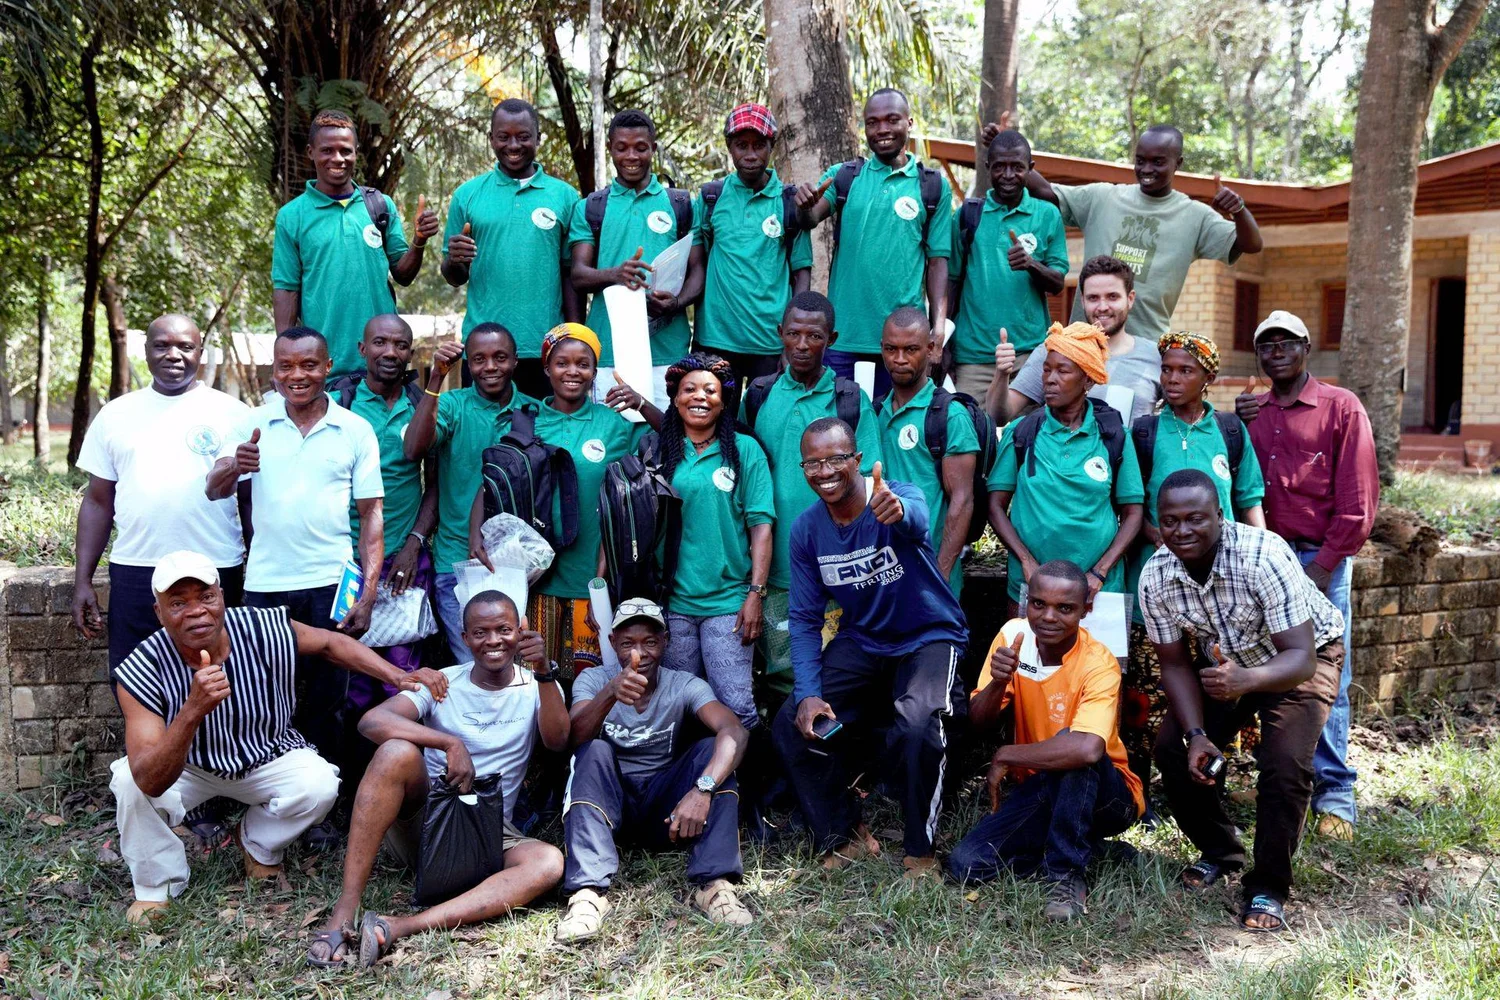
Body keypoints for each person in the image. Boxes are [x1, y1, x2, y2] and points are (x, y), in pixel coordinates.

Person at [109, 550, 445, 924]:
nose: (197, 611)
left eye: (206, 597)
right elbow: (150, 778)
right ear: (159, 613)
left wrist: (397, 677)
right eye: (178, 603)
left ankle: (258, 845)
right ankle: (158, 886)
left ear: (222, 597)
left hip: (266, 755)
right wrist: (192, 711)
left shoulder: (261, 627)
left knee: (318, 784)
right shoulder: (142, 666)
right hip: (190, 767)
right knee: (128, 781)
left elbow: (331, 644)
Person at [308, 590, 569, 968]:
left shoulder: (538, 687)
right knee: (395, 752)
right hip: (427, 823)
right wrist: (448, 742)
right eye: (480, 632)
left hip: (490, 833)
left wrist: (544, 670)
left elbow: (558, 741)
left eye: (504, 629)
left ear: (521, 632)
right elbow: (373, 722)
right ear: (464, 639)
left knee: (547, 862)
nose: (493, 640)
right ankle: (343, 913)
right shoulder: (444, 682)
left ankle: (400, 926)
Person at [1142, 470, 1346, 933]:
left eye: (1195, 518)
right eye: (1170, 521)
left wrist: (1246, 681)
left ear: (1220, 515)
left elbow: (1301, 657)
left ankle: (1268, 886)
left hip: (1302, 658)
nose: (1182, 530)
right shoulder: (1156, 574)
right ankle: (1221, 851)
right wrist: (1196, 735)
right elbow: (1174, 665)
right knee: (1174, 750)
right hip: (1229, 664)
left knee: (1285, 763)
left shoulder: (1262, 554)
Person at [206, 328, 384, 845]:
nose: (296, 376)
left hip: (332, 582)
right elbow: (213, 488)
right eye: (285, 367)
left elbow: (372, 514)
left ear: (327, 366)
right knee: (261, 699)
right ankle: (265, 802)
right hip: (265, 585)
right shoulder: (252, 423)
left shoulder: (354, 430)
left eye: (308, 365)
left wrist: (368, 591)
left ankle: (321, 809)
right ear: (274, 371)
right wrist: (235, 467)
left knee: (330, 700)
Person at [772, 419, 968, 877]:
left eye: (836, 459)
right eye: (813, 462)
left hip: (929, 635)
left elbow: (916, 521)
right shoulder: (807, 531)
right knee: (791, 723)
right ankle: (844, 835)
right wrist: (808, 693)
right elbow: (803, 619)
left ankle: (920, 850)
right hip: (864, 641)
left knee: (918, 726)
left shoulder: (895, 496)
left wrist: (896, 511)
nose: (824, 471)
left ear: (857, 460)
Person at [1234, 310, 1378, 841]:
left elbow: (1359, 503)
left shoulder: (1341, 407)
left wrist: (1322, 567)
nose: (1277, 351)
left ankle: (1335, 793)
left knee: (1325, 675)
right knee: (1266, 667)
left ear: (1306, 348)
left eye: (1286, 342)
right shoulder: (1252, 413)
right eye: (1266, 344)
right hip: (1264, 557)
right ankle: (1280, 775)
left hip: (1321, 557)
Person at [948, 561, 1144, 921]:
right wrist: (996, 682)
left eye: (1064, 608)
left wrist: (1008, 754)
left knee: (1073, 750)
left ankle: (1066, 875)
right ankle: (1095, 851)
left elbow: (1088, 749)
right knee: (966, 865)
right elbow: (977, 722)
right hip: (1042, 783)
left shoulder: (1099, 662)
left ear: (1085, 610)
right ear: (1027, 603)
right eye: (1038, 604)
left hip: (1108, 795)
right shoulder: (1013, 636)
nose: (1048, 617)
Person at [556, 598, 753, 941]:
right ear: (614, 643)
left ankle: (715, 885)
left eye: (649, 642)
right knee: (593, 751)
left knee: (713, 750)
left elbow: (734, 730)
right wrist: (609, 695)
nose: (640, 653)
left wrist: (703, 788)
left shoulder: (683, 684)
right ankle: (587, 894)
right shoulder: (593, 681)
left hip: (669, 815)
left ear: (665, 643)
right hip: (610, 811)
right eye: (629, 643)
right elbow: (571, 739)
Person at [1119, 332, 1265, 787]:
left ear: (1208, 378)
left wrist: (1261, 561)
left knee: (1223, 686)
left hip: (1225, 589)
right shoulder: (1143, 432)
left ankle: (1217, 780)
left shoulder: (1228, 431)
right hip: (1159, 587)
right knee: (1148, 691)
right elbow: (1130, 504)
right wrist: (1164, 538)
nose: (1173, 379)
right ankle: (1140, 788)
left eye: (1186, 371)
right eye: (1167, 369)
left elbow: (1248, 500)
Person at [980, 117, 1263, 342]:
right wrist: (1009, 154)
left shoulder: (1195, 216)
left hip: (1145, 346)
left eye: (1158, 161)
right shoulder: (1103, 197)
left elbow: (1251, 244)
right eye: (1140, 160)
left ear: (1179, 163)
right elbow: (1048, 194)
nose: (1146, 169)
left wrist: (1238, 209)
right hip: (1085, 341)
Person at [74, 314, 249, 670]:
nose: (174, 355)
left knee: (216, 675)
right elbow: (96, 502)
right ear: (146, 350)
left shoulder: (234, 413)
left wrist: (255, 575)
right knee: (134, 678)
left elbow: (249, 503)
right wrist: (82, 581)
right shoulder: (115, 414)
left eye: (185, 346)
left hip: (214, 565)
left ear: (200, 352)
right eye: (162, 345)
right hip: (138, 568)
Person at [737, 291, 882, 699]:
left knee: (839, 668)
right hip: (777, 566)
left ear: (831, 338)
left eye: (814, 336)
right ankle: (788, 742)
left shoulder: (849, 400)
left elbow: (870, 481)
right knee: (782, 669)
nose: (802, 345)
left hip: (839, 563)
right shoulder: (760, 395)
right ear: (779, 333)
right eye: (794, 334)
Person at [499, 323, 649, 676]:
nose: (572, 372)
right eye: (562, 363)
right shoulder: (524, 420)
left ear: (595, 372)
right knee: (535, 676)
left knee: (591, 677)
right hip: (538, 581)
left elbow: (623, 499)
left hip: (593, 580)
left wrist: (641, 401)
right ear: (547, 367)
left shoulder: (614, 425)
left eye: (583, 364)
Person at [794, 88, 953, 399]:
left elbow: (938, 262)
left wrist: (937, 328)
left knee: (897, 431)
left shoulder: (932, 186)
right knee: (841, 430)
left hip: (903, 344)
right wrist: (803, 206)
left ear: (909, 122)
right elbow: (811, 218)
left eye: (892, 120)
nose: (882, 129)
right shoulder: (844, 176)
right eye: (873, 122)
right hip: (844, 340)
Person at [329, 315, 440, 746]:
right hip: (346, 566)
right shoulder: (339, 401)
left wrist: (415, 542)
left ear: (410, 353)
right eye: (380, 343)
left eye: (399, 345)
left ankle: (401, 774)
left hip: (402, 561)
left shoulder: (421, 401)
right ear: (362, 349)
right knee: (347, 676)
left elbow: (437, 481)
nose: (390, 353)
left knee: (402, 674)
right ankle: (350, 781)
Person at [651, 353, 774, 732]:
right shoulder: (657, 450)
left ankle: (739, 787)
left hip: (728, 603)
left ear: (723, 401)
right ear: (674, 398)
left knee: (736, 706)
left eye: (710, 390)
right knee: (678, 707)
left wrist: (755, 594)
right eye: (689, 389)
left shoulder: (744, 450)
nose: (699, 397)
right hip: (674, 604)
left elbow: (761, 525)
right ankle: (687, 782)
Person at [402, 322, 539, 662]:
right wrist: (435, 378)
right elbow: (413, 450)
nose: (490, 366)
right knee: (473, 665)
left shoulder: (536, 411)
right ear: (468, 364)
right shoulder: (451, 405)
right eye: (479, 359)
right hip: (457, 562)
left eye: (500, 357)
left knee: (516, 667)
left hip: (518, 565)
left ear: (516, 361)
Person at [987, 322, 1144, 617]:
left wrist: (1100, 572)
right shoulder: (1023, 432)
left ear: (1087, 380)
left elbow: (1133, 512)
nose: (1050, 379)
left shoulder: (1113, 435)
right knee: (1026, 663)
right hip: (1031, 587)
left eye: (1063, 371)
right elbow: (995, 506)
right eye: (1047, 369)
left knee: (1101, 665)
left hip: (1098, 592)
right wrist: (1025, 561)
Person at [272, 108, 440, 379]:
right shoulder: (292, 216)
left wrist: (419, 241)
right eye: (327, 150)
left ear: (356, 152)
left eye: (345, 151)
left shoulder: (379, 205)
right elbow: (286, 289)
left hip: (382, 365)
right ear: (310, 152)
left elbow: (403, 274)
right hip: (326, 368)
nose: (337, 158)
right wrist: (286, 356)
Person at [442, 98, 583, 400]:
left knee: (544, 441)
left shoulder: (565, 196)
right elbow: (454, 276)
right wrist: (455, 260)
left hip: (548, 347)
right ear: (491, 138)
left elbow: (571, 273)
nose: (513, 145)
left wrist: (575, 337)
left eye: (523, 136)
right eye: (503, 137)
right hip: (485, 352)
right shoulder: (467, 195)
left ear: (538, 139)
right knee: (484, 439)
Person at [568, 109, 702, 409]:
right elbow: (578, 274)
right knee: (614, 444)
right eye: (622, 147)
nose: (632, 156)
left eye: (641, 148)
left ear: (653, 149)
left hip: (668, 352)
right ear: (610, 148)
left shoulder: (680, 204)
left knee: (669, 445)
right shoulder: (591, 207)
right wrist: (616, 274)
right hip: (609, 353)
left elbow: (698, 271)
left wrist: (677, 303)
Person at [692, 103, 813, 382]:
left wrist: (792, 340)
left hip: (770, 343)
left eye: (759, 145)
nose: (750, 155)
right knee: (714, 422)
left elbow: (801, 274)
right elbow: (698, 263)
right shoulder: (712, 197)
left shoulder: (789, 201)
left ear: (772, 146)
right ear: (729, 147)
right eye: (741, 145)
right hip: (715, 341)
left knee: (766, 423)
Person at [946, 128, 1068, 402]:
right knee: (972, 436)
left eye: (1017, 167)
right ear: (988, 167)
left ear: (1030, 169)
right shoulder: (967, 215)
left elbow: (1059, 284)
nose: (1009, 175)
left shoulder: (1046, 214)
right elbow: (952, 282)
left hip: (1030, 356)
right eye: (1000, 167)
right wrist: (945, 345)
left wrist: (1031, 264)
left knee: (1025, 438)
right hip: (974, 358)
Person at [876, 307, 977, 595]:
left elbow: (963, 500)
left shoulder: (950, 416)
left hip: (932, 578)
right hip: (882, 577)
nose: (899, 359)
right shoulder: (875, 412)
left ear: (931, 348)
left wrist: (940, 574)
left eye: (911, 349)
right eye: (890, 349)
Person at [995, 254, 1163, 426]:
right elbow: (1000, 415)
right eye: (1093, 298)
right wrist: (1002, 374)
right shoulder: (1054, 350)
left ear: (1130, 299)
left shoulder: (1156, 356)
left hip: (1130, 453)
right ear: (1082, 301)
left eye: (1112, 297)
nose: (1103, 307)